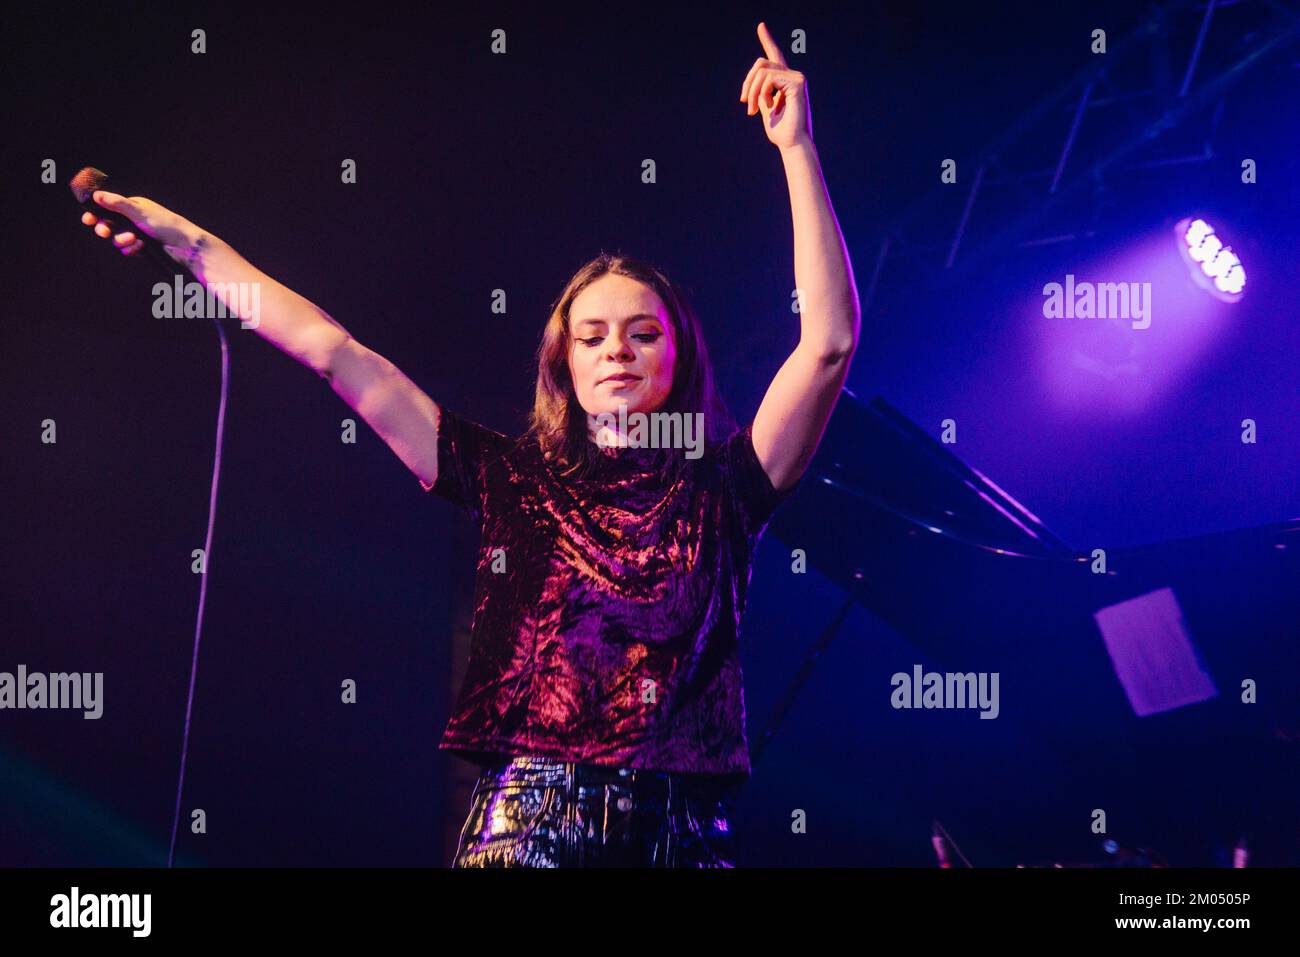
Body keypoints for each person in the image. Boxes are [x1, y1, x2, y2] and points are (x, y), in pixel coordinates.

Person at [78, 22, 859, 867]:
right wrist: (192, 248)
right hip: (526, 828)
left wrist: (796, 148)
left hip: (681, 835)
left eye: (641, 333)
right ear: (563, 358)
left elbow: (827, 344)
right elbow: (338, 354)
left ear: (679, 353)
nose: (617, 351)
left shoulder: (726, 485)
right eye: (592, 335)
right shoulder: (506, 475)